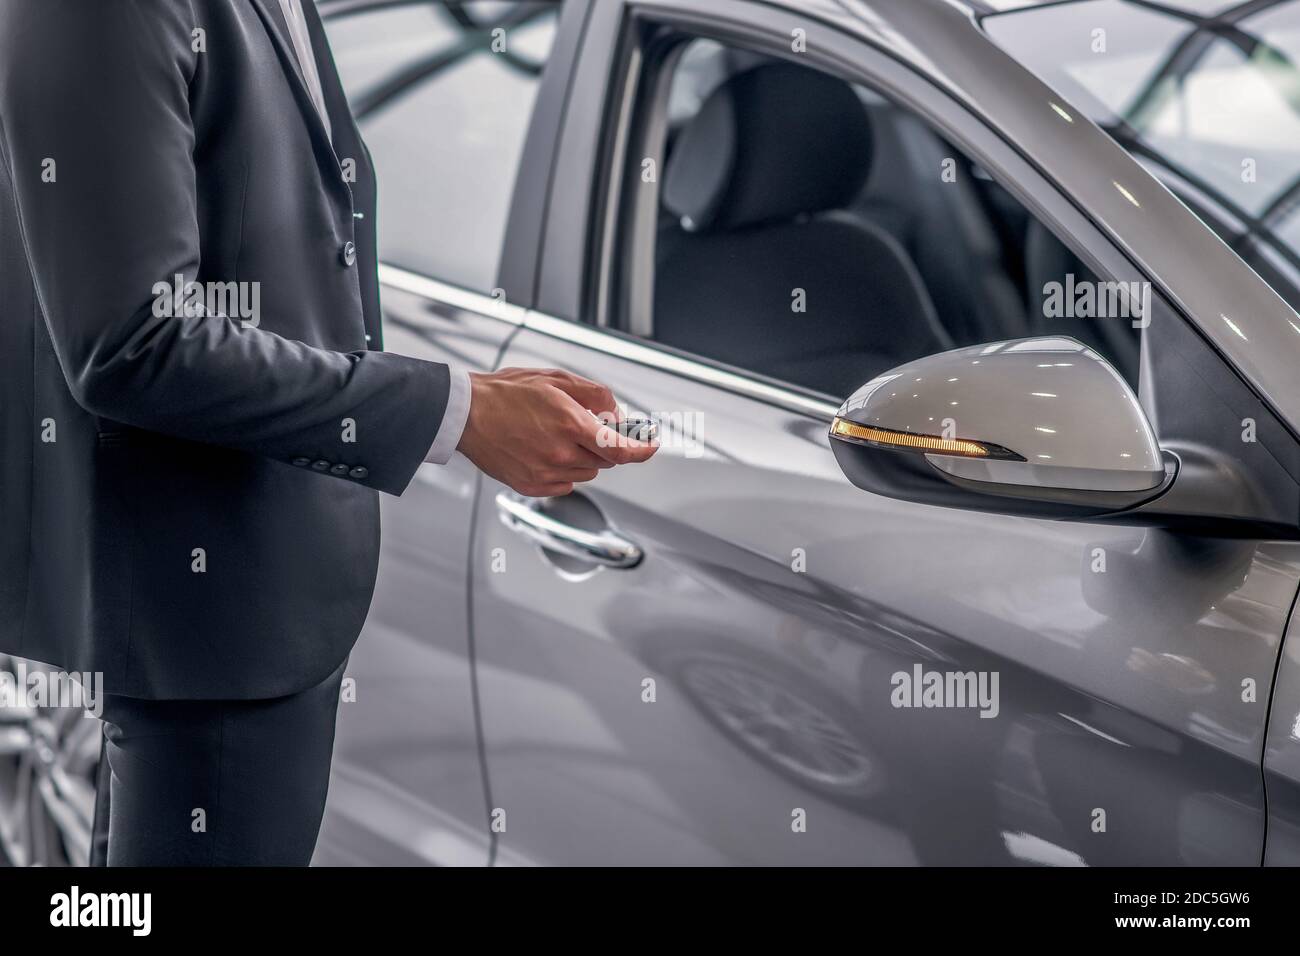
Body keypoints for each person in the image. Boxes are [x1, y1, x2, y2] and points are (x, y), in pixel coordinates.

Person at [0, 0, 656, 866]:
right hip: (205, 618)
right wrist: (455, 411)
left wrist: (480, 393)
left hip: (265, 592)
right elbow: (135, 344)